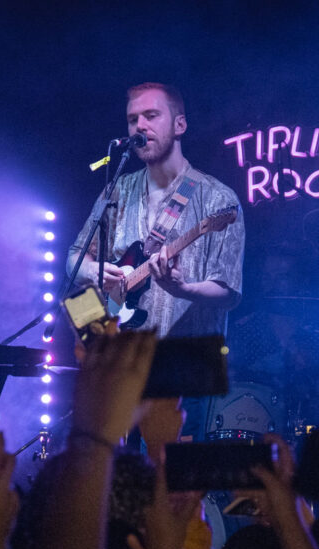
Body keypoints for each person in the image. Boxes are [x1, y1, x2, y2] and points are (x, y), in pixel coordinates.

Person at [67, 83, 245, 445]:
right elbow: (73, 260)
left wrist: (183, 288)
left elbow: (228, 292)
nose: (139, 126)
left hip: (185, 368)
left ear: (179, 125)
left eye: (151, 115)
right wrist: (96, 271)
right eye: (133, 119)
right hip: (123, 367)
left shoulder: (217, 198)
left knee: (172, 488)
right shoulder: (116, 190)